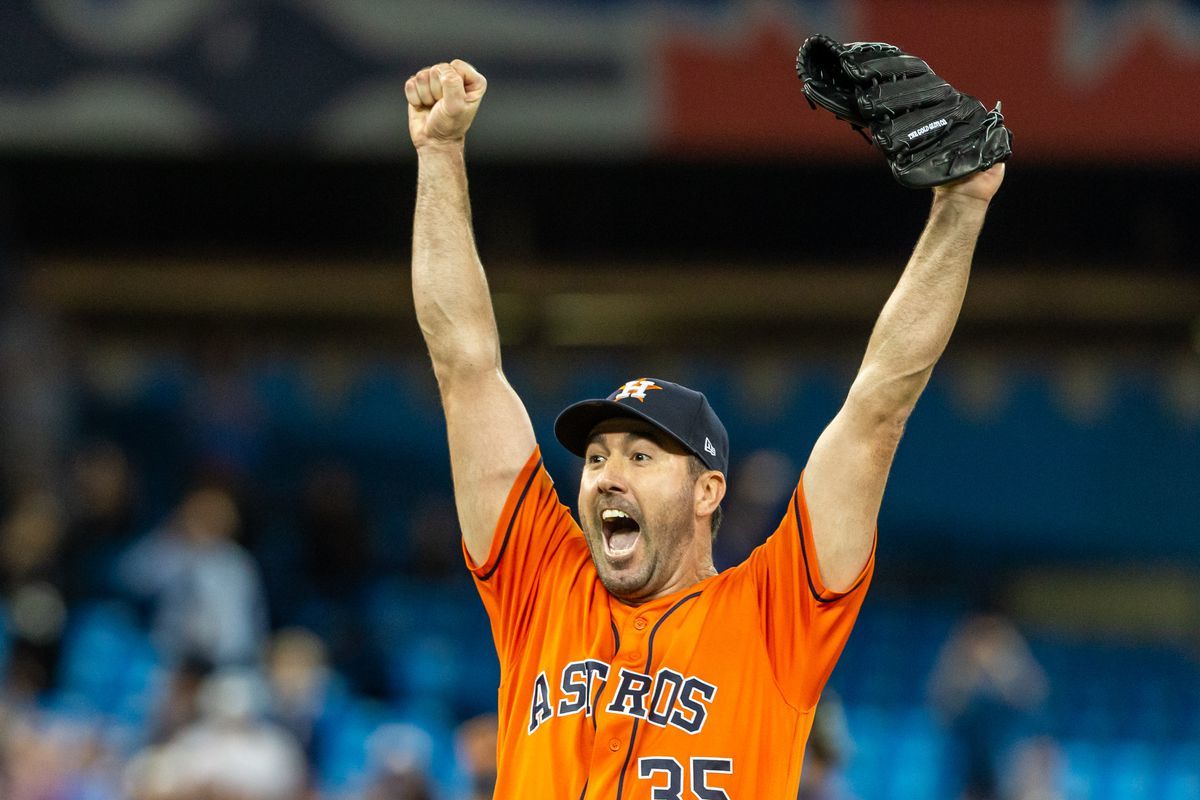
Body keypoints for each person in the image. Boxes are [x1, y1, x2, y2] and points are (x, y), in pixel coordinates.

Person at [405, 59, 1004, 797]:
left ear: (707, 490)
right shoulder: (542, 583)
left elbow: (878, 407)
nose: (605, 474)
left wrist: (962, 205)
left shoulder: (774, 615)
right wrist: (438, 154)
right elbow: (464, 368)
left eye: (640, 454)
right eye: (595, 457)